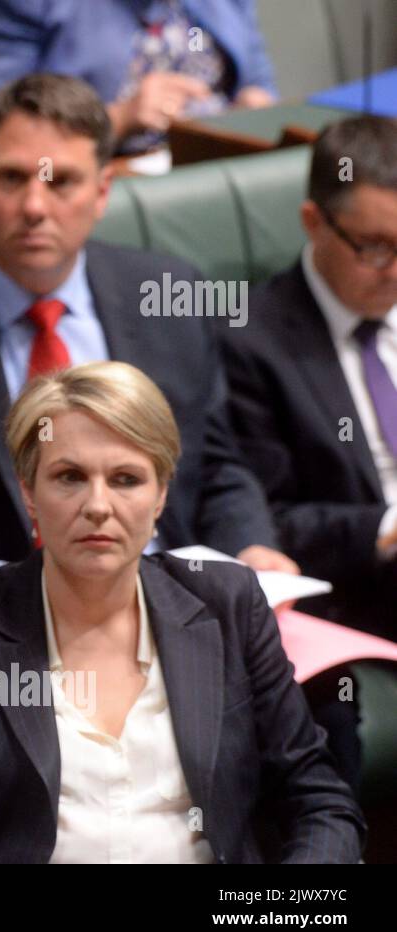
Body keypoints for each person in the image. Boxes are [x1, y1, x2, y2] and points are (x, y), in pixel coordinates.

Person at [0, 361, 365, 864]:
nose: (98, 506)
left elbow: (320, 802)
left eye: (127, 479)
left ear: (161, 495)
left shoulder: (229, 602)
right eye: (69, 476)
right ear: (28, 492)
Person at [0, 73, 295, 637]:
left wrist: (250, 549)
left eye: (62, 182)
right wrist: (17, 589)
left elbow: (216, 466)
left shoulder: (168, 295)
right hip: (4, 631)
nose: (34, 205)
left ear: (102, 191)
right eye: (12, 178)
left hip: (182, 613)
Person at [221, 116, 397, 644]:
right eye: (375, 247)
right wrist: (386, 527)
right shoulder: (250, 343)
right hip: (365, 586)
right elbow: (268, 519)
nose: (395, 269)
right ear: (314, 222)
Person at [0, 0, 277, 176]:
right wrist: (116, 120)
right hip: (109, 189)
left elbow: (257, 83)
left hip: (223, 166)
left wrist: (256, 109)